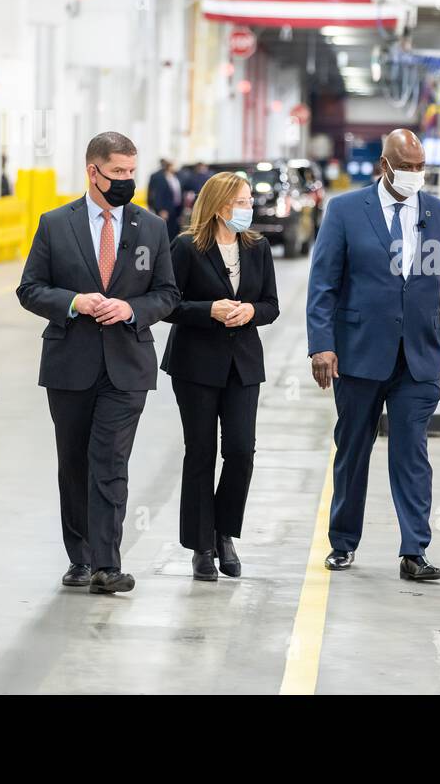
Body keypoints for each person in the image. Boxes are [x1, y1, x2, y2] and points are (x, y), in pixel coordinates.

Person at [306, 128, 440, 581]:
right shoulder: (344, 210)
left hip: (418, 356)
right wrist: (322, 344)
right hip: (359, 354)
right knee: (352, 449)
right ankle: (343, 542)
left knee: (412, 453)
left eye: (421, 167)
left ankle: (414, 550)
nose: (415, 175)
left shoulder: (439, 214)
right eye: (407, 167)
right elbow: (323, 284)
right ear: (385, 166)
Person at [16, 131, 179, 595]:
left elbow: (167, 293)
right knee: (74, 462)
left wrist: (130, 308)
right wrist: (74, 302)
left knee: (110, 461)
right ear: (93, 171)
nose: (127, 179)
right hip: (70, 363)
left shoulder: (151, 228)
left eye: (132, 171)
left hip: (127, 364)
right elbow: (29, 289)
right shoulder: (55, 224)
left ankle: (107, 564)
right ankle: (80, 558)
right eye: (118, 172)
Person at [162, 172, 279, 581]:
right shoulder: (186, 247)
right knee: (200, 453)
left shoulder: (258, 247)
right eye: (241, 202)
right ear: (219, 206)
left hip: (242, 364)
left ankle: (224, 532)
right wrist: (207, 310)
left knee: (241, 451)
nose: (248, 208)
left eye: (249, 201)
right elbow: (167, 304)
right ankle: (202, 546)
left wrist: (251, 311)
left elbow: (271, 304)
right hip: (195, 364)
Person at [146, 158, 183, 241]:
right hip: (165, 209)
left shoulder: (176, 176)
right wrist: (161, 209)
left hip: (176, 208)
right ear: (169, 166)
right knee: (165, 231)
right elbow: (158, 194)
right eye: (174, 165)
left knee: (174, 231)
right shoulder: (160, 177)